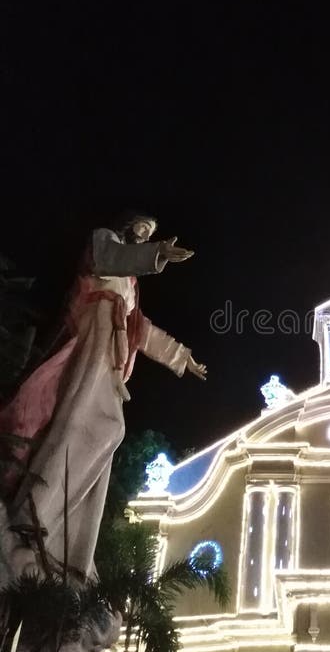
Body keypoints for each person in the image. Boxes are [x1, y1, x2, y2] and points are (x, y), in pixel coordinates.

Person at [0, 212, 206, 578]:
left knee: (107, 434)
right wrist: (156, 253)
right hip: (92, 341)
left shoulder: (129, 284)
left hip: (112, 354)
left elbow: (141, 327)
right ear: (127, 225)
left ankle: (70, 543)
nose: (144, 235)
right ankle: (35, 512)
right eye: (142, 228)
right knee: (85, 421)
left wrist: (181, 355)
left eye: (150, 234)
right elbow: (110, 258)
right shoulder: (104, 242)